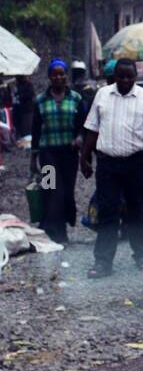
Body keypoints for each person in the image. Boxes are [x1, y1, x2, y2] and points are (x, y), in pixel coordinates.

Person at [80, 57, 143, 278]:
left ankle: (142, 255)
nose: (125, 80)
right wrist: (85, 156)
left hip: (135, 162)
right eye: (121, 76)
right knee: (107, 211)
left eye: (129, 76)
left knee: (137, 209)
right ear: (114, 76)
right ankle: (103, 263)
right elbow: (92, 128)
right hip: (107, 162)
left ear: (135, 77)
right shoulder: (102, 95)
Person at [28, 58, 86, 244]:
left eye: (61, 74)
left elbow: (83, 125)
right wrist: (33, 157)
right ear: (49, 77)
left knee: (66, 191)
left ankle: (60, 226)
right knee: (51, 189)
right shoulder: (40, 100)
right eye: (55, 74)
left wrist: (80, 137)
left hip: (69, 155)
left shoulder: (76, 99)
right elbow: (36, 130)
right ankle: (56, 233)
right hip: (47, 154)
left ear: (66, 76)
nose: (58, 77)